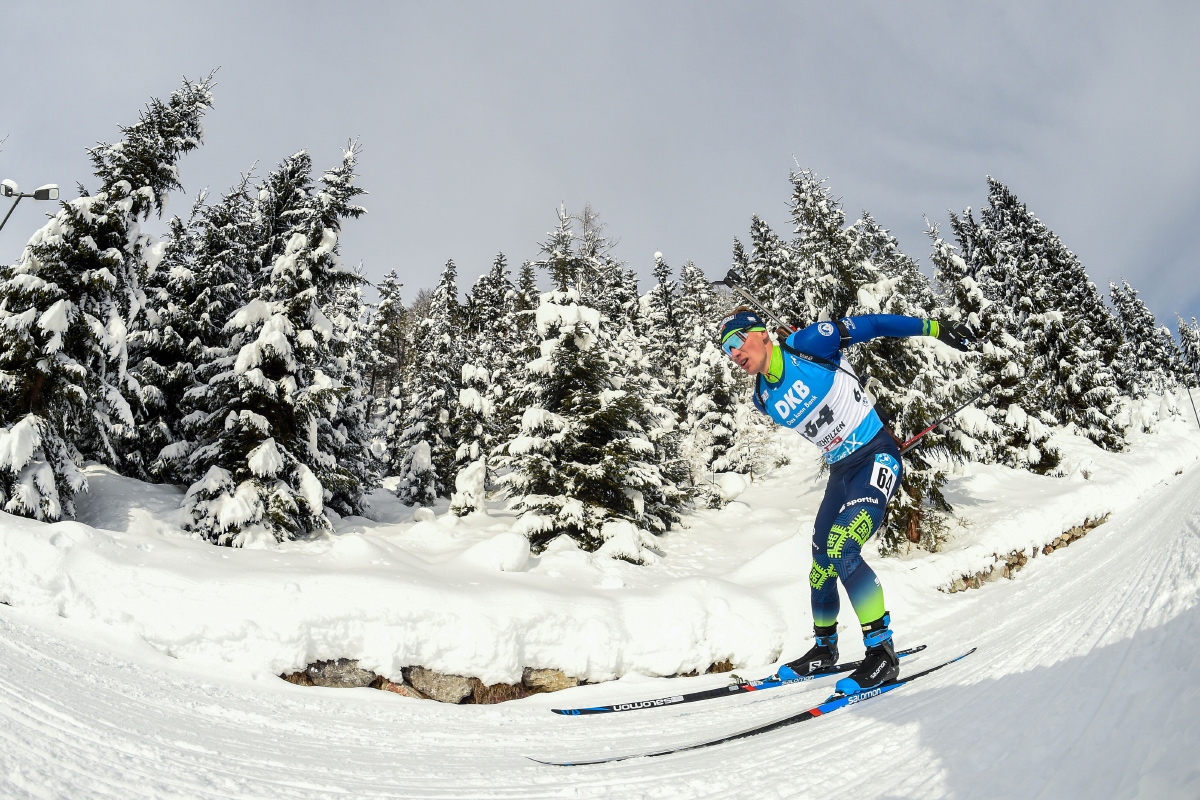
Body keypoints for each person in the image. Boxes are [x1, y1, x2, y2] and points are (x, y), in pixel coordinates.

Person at [718, 306, 974, 693]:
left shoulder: (809, 344)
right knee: (821, 557)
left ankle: (882, 655)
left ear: (762, 333)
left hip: (875, 454)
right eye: (726, 350)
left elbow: (873, 325)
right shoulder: (762, 397)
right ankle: (825, 650)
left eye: (737, 341)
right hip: (841, 471)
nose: (733, 353)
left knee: (842, 545)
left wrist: (935, 328)